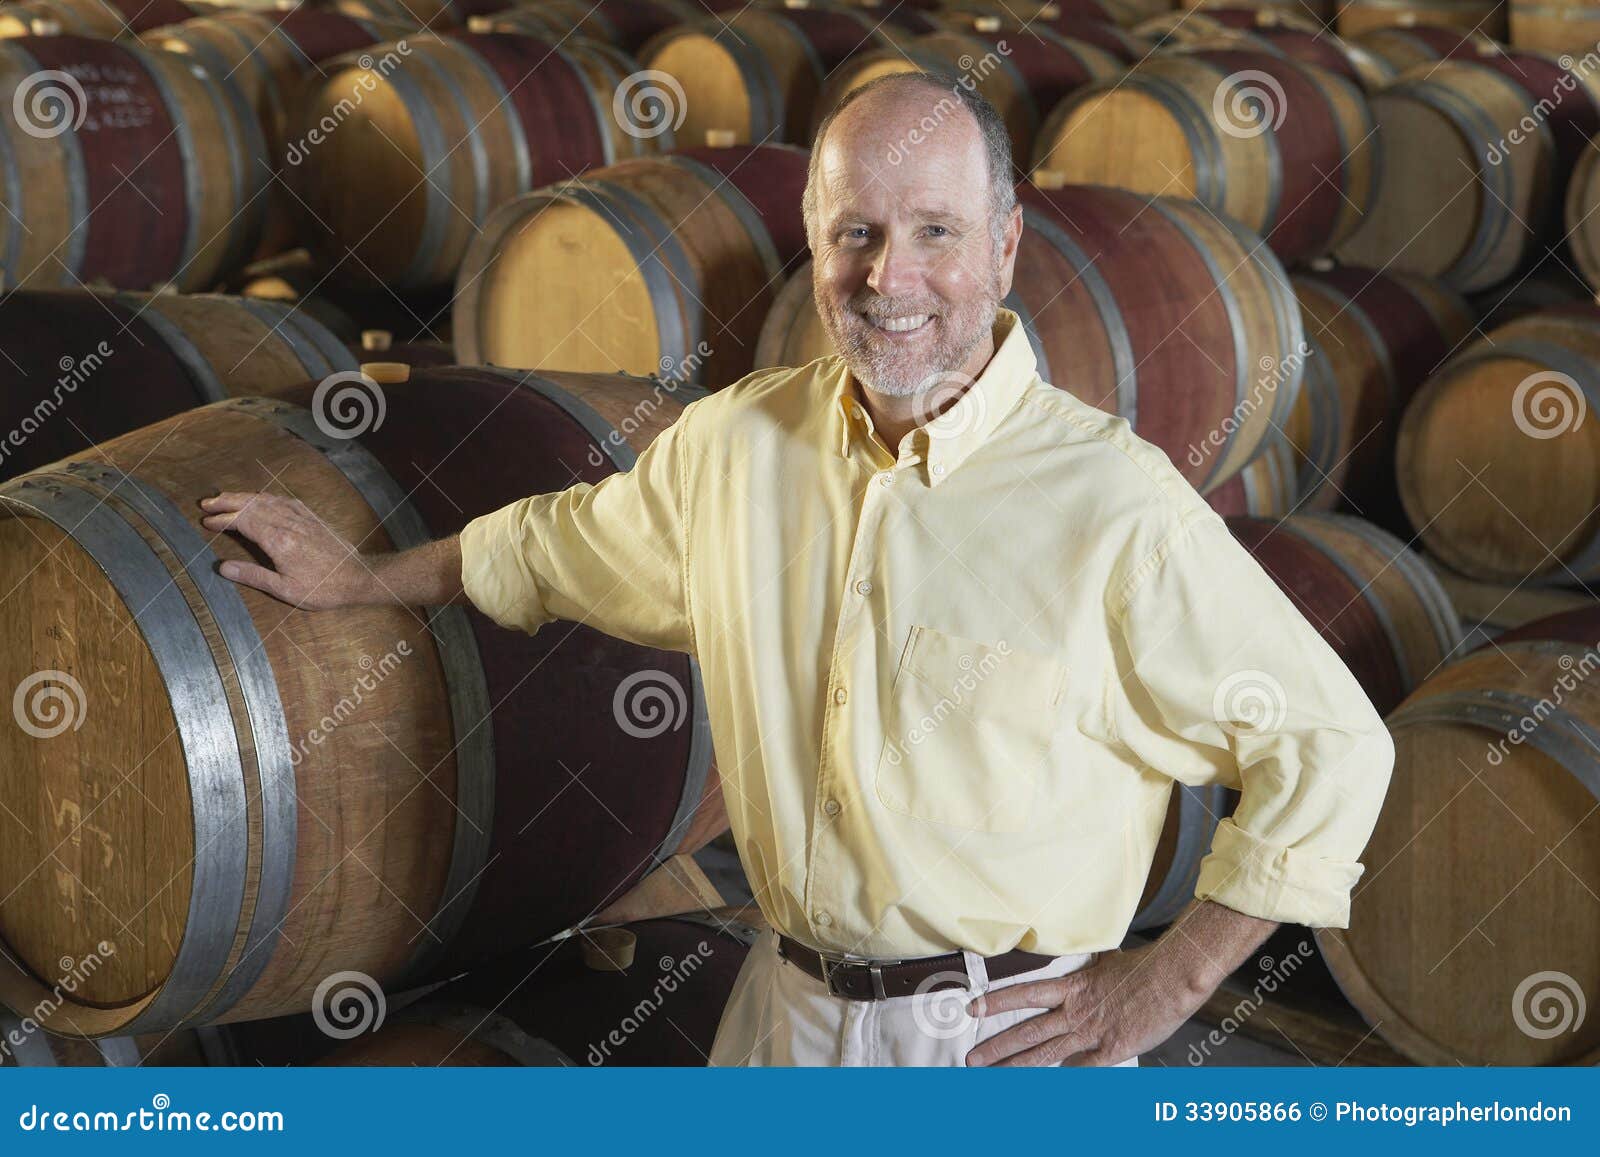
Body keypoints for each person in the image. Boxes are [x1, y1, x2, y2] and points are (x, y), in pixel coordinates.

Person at [200, 74, 1395, 1067]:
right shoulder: (738, 444)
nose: (891, 278)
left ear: (1008, 246)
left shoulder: (1112, 501)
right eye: (855, 233)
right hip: (781, 1019)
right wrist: (362, 580)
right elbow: (552, 546)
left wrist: (1160, 987)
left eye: (936, 231)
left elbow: (1331, 746)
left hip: (1001, 1045)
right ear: (815, 245)